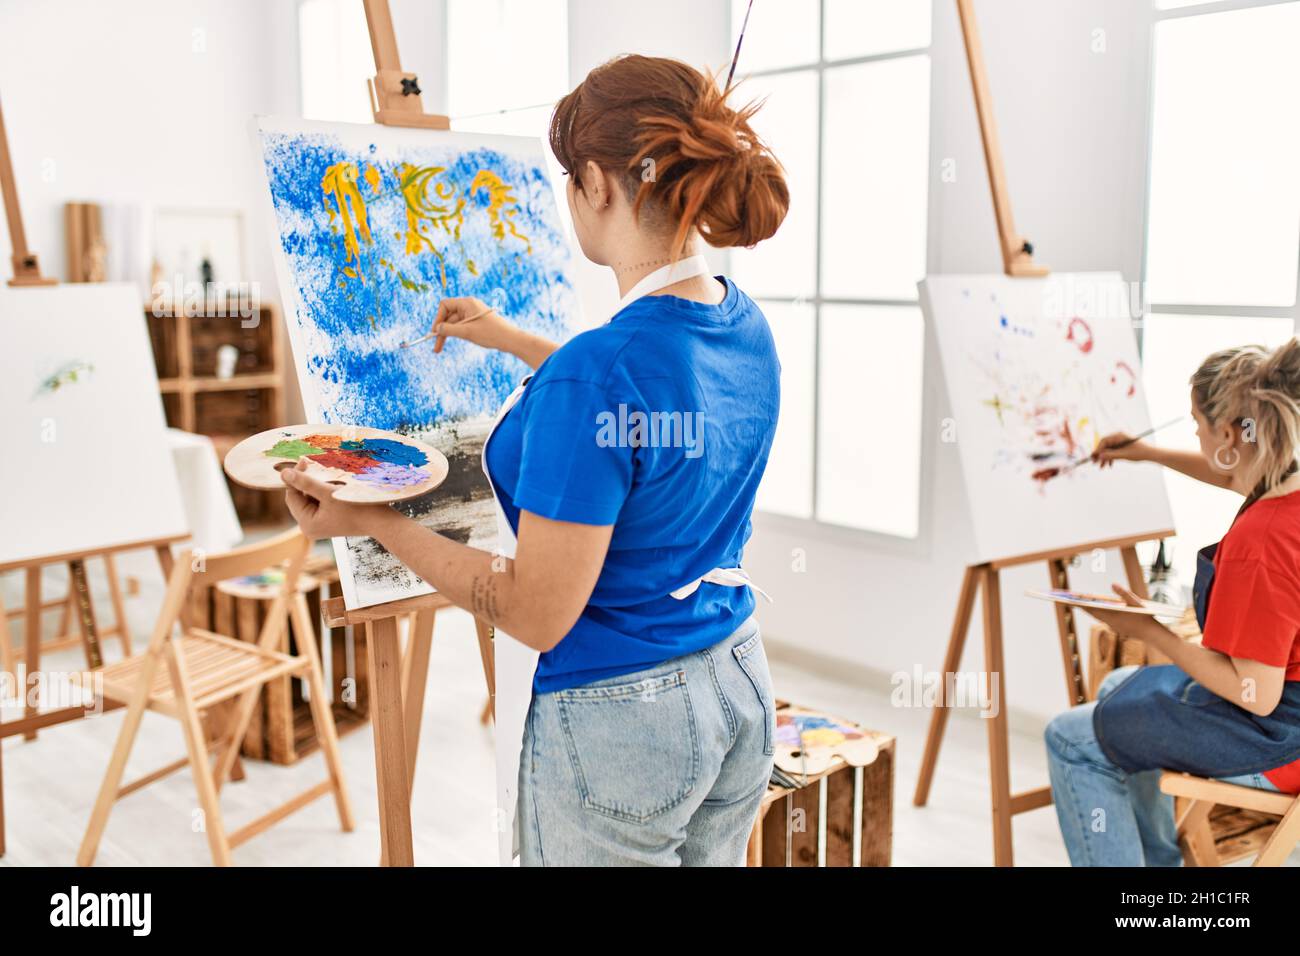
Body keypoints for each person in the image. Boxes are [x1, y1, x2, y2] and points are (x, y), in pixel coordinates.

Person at [279, 54, 790, 866]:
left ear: (596, 182)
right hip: (737, 685)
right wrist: (515, 340)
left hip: (626, 724)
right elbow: (643, 416)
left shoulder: (597, 373)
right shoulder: (741, 324)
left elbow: (530, 610)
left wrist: (371, 520)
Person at [1044, 340, 1300, 866]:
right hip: (1288, 720)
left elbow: (1255, 694)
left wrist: (1150, 632)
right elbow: (1230, 473)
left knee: (1070, 739)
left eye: (1196, 424)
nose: (1196, 435)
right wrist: (1146, 453)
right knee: (1118, 688)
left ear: (1228, 434)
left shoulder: (1263, 539)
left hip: (1278, 742)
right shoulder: (1285, 486)